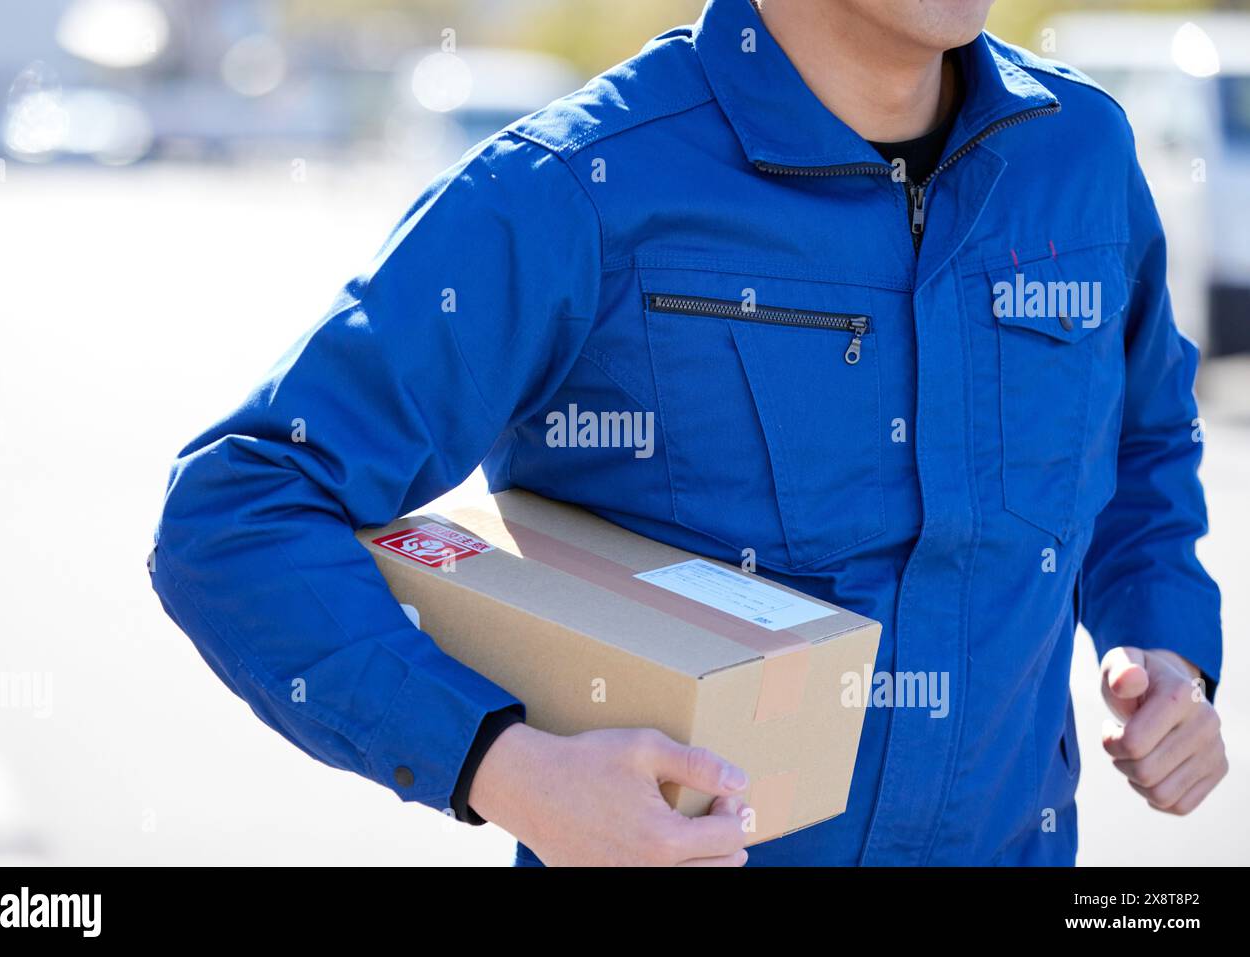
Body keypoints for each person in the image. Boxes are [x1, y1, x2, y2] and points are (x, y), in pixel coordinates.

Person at [149, 0, 1227, 866]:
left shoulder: (1076, 154)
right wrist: (500, 764)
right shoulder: (574, 188)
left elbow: (1140, 436)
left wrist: (1162, 638)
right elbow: (238, 508)